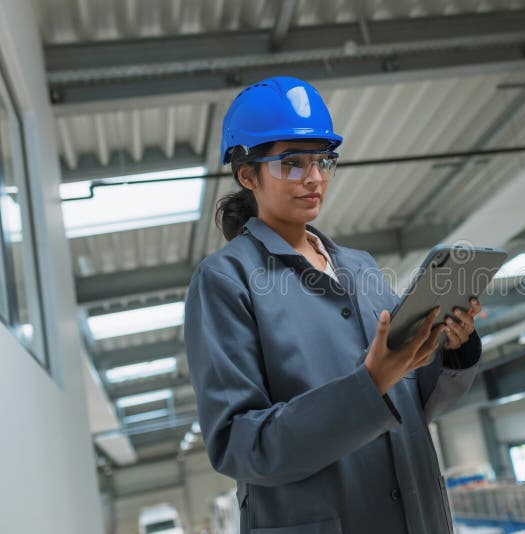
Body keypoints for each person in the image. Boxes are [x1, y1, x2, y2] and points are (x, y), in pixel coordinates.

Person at [184, 76, 484, 534]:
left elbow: (415, 404)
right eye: (292, 163)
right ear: (248, 175)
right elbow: (240, 445)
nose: (315, 178)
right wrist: (370, 383)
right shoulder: (226, 281)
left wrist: (451, 350)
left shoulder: (361, 268)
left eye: (323, 161)